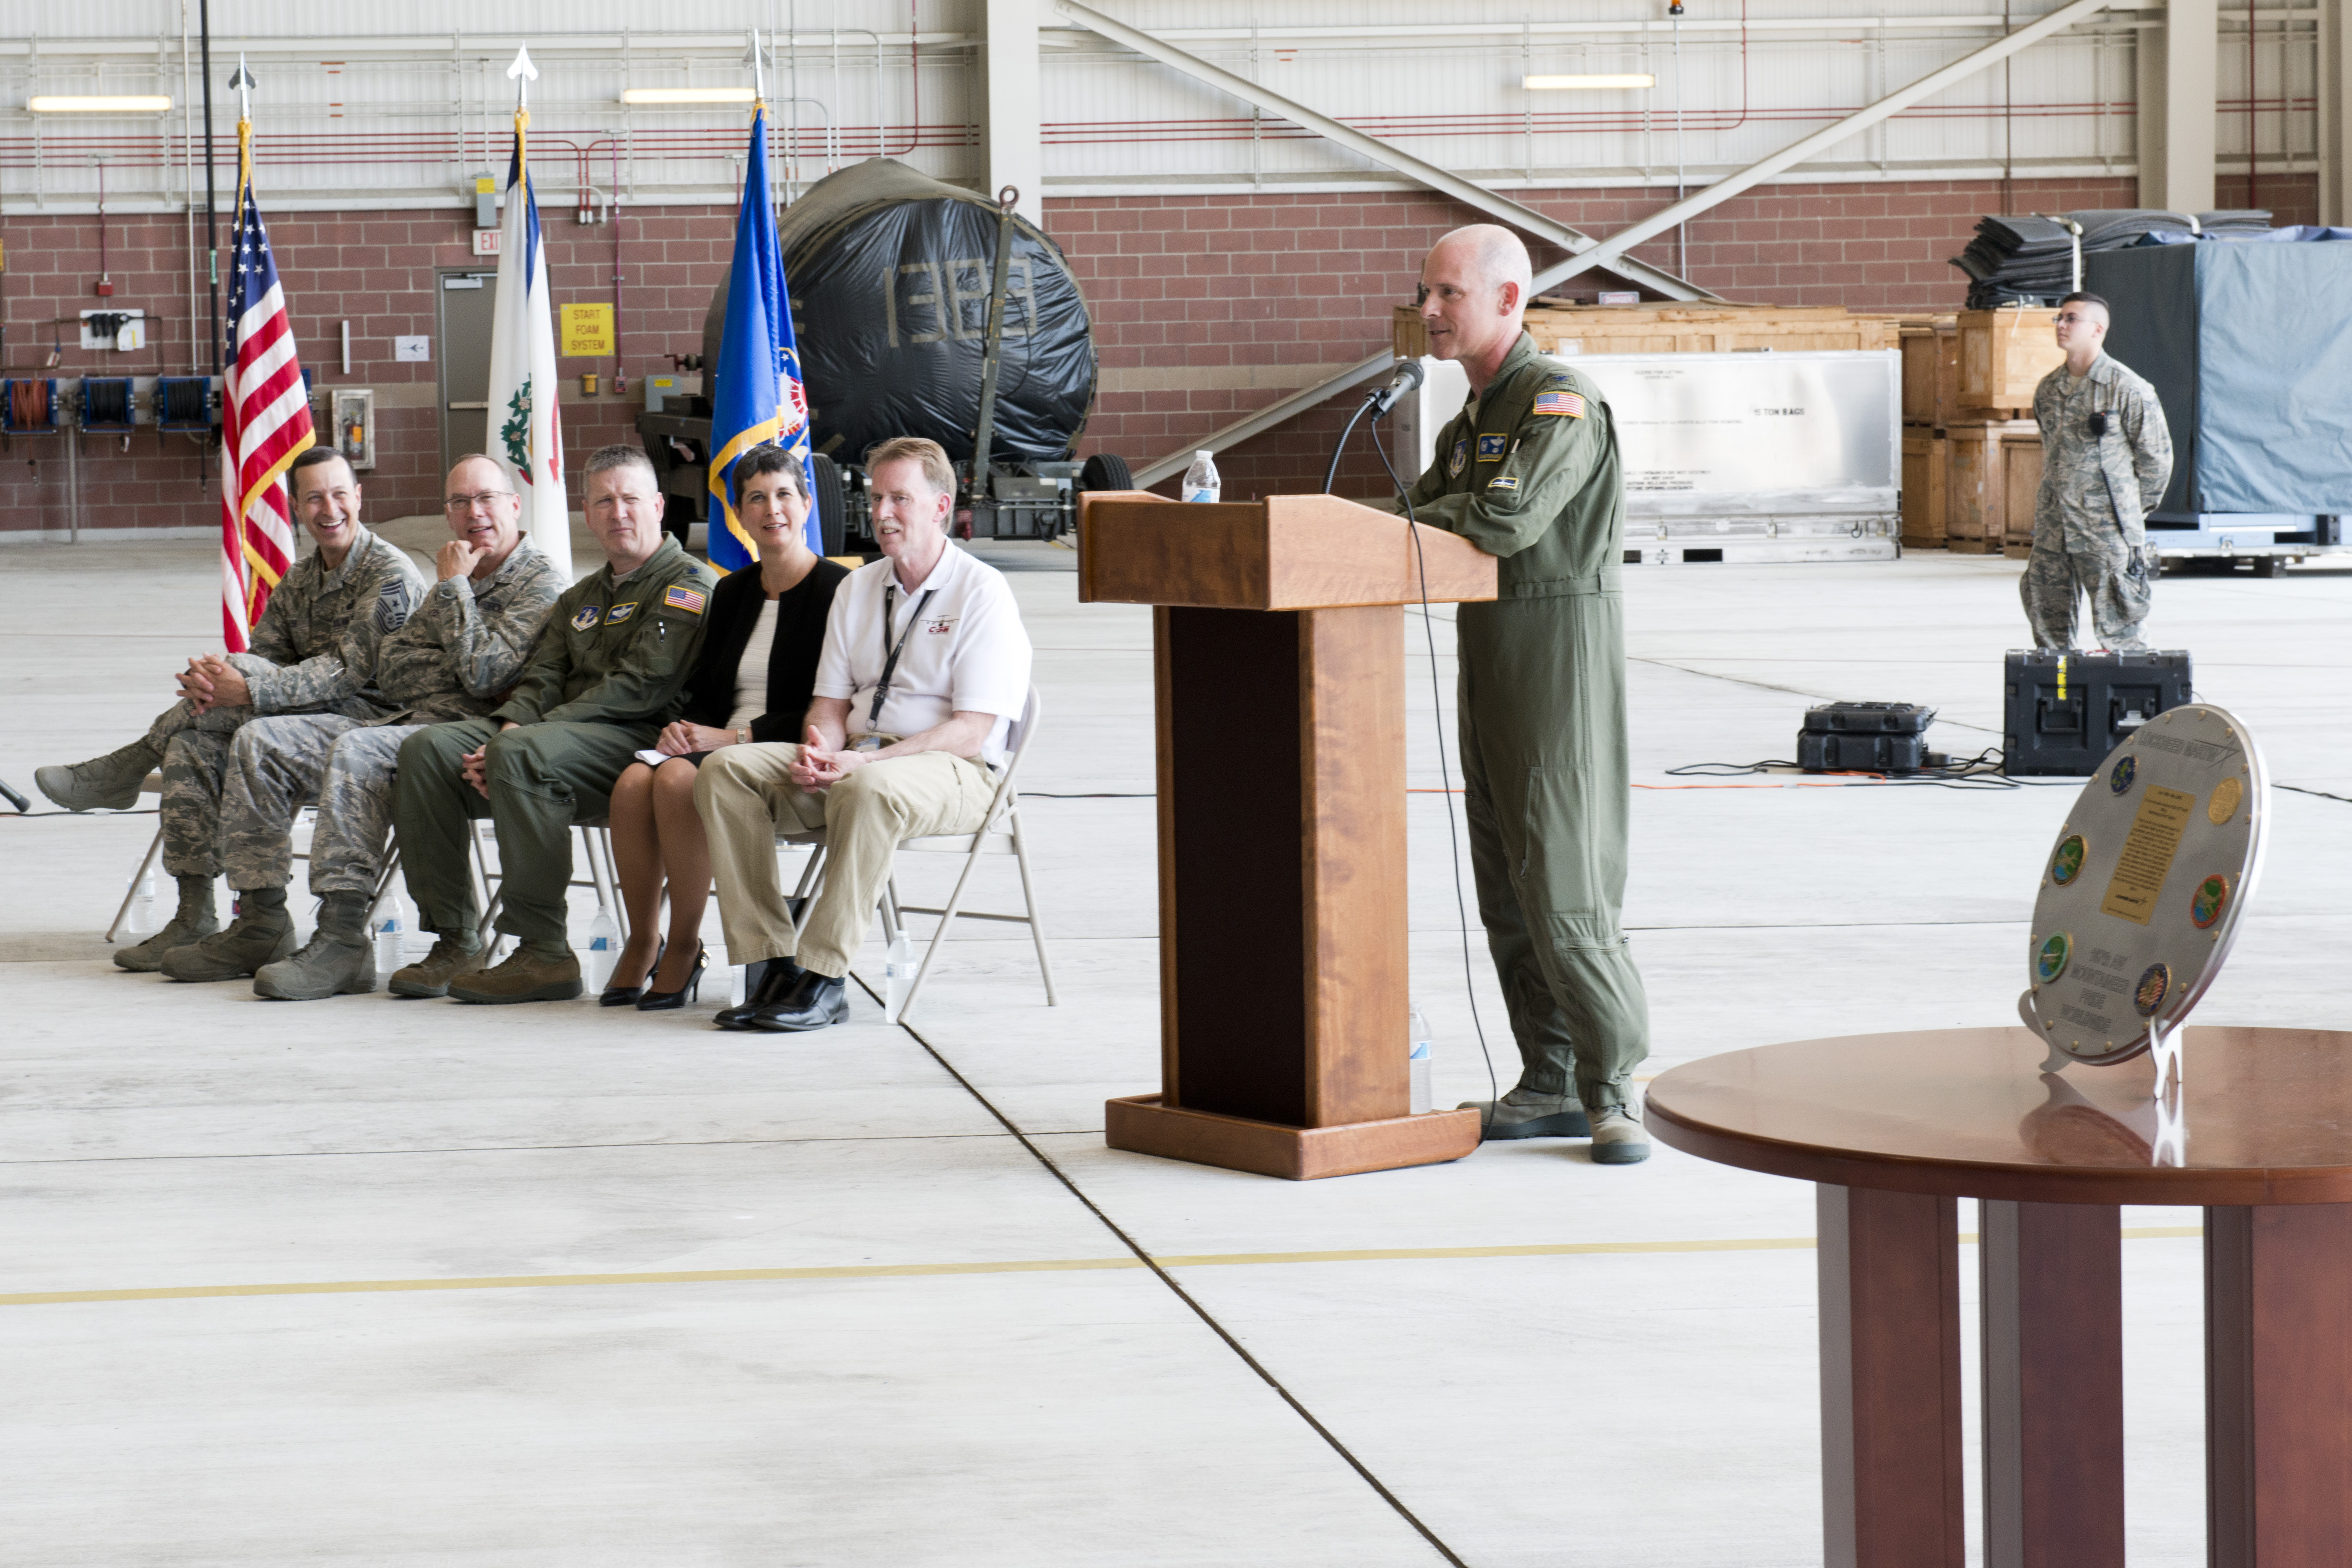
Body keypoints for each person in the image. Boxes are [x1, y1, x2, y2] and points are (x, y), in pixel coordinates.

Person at [1405, 224, 1651, 1165]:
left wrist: (1422, 516)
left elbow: (1504, 520)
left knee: (1561, 884)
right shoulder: (1467, 424)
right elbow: (1413, 511)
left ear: (1508, 300)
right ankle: (1546, 1077)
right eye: (1425, 291)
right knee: (1505, 889)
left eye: (1447, 295)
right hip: (1490, 664)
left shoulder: (1560, 403)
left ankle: (1610, 1084)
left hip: (1555, 664)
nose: (1427, 310)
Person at [36, 447, 426, 974]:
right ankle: (197, 914)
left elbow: (345, 672)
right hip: (310, 712)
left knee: (249, 725)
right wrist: (217, 680)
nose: (328, 508)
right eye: (313, 498)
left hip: (374, 721)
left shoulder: (390, 575)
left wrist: (247, 690)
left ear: (359, 497)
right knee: (193, 739)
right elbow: (266, 657)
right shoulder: (303, 577)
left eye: (338, 494)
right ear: (296, 506)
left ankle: (125, 769)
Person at [694, 436, 1032, 1033]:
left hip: (957, 771)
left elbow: (971, 730)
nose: (880, 513)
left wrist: (864, 764)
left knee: (866, 789)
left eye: (899, 498)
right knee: (726, 770)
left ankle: (823, 976)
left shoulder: (980, 592)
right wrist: (819, 749)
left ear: (939, 506)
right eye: (875, 498)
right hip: (860, 763)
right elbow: (828, 704)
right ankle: (769, 964)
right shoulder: (857, 587)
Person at [204, 456, 565, 999]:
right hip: (404, 717)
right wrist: (458, 661)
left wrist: (454, 594)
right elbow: (394, 670)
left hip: (477, 735)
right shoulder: (456, 572)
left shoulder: (538, 581)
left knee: (358, 751)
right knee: (262, 741)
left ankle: (342, 937)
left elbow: (486, 672)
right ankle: (260, 923)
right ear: (447, 512)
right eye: (461, 502)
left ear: (515, 505)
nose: (475, 513)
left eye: (487, 498)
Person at [390, 444, 720, 1003]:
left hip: (643, 746)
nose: (618, 513)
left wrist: (522, 742)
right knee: (427, 750)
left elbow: (639, 687)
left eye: (630, 499)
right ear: (585, 513)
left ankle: (543, 950)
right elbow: (544, 677)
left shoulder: (687, 584)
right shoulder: (581, 598)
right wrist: (509, 729)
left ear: (659, 506)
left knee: (520, 755)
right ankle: (454, 936)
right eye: (604, 501)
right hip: (559, 741)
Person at [601, 446, 849, 1010]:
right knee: (632, 783)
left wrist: (731, 739)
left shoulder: (838, 590)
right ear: (738, 513)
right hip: (718, 743)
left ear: (806, 504)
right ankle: (645, 939)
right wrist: (683, 731)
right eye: (756, 498)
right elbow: (711, 691)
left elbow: (829, 705)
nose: (772, 509)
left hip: (786, 749)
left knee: (672, 782)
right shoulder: (733, 590)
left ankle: (687, 945)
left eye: (784, 494)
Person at [2022, 291, 2174, 652]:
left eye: (2071, 318)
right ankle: (2058, 697)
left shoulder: (2127, 388)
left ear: (2097, 329)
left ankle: (2131, 702)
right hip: (2053, 529)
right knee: (2047, 625)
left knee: (2121, 626)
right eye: (2059, 318)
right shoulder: (2049, 390)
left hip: (2106, 530)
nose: (2060, 325)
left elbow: (2156, 461)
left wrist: (2128, 514)